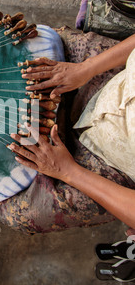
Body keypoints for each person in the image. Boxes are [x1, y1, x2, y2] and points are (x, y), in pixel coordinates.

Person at [9, 33, 135, 231]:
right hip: (112, 77)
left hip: (110, 164)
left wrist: (68, 172)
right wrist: (87, 67)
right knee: (37, 45)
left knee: (20, 213)